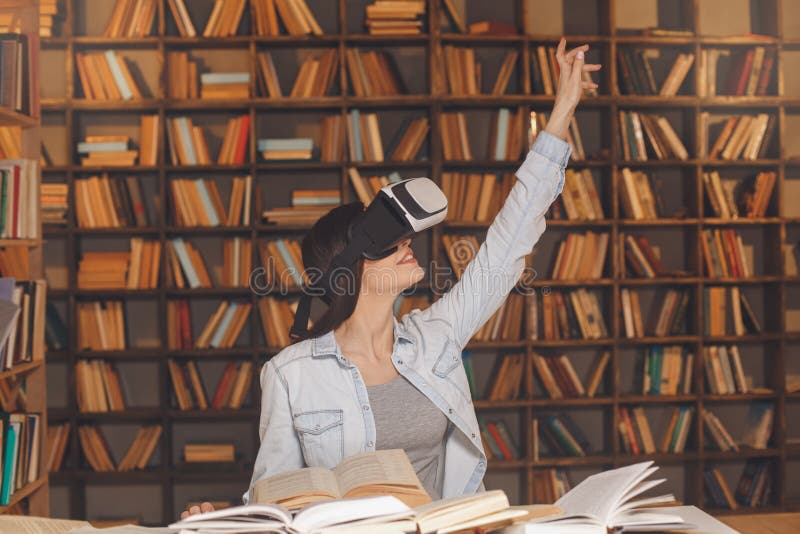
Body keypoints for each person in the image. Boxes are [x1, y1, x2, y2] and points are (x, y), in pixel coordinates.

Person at [181, 38, 600, 519]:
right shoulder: (291, 374)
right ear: (351, 266)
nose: (408, 246)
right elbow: (277, 498)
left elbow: (506, 248)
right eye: (390, 242)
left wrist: (562, 111)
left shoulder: (436, 338)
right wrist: (220, 519)